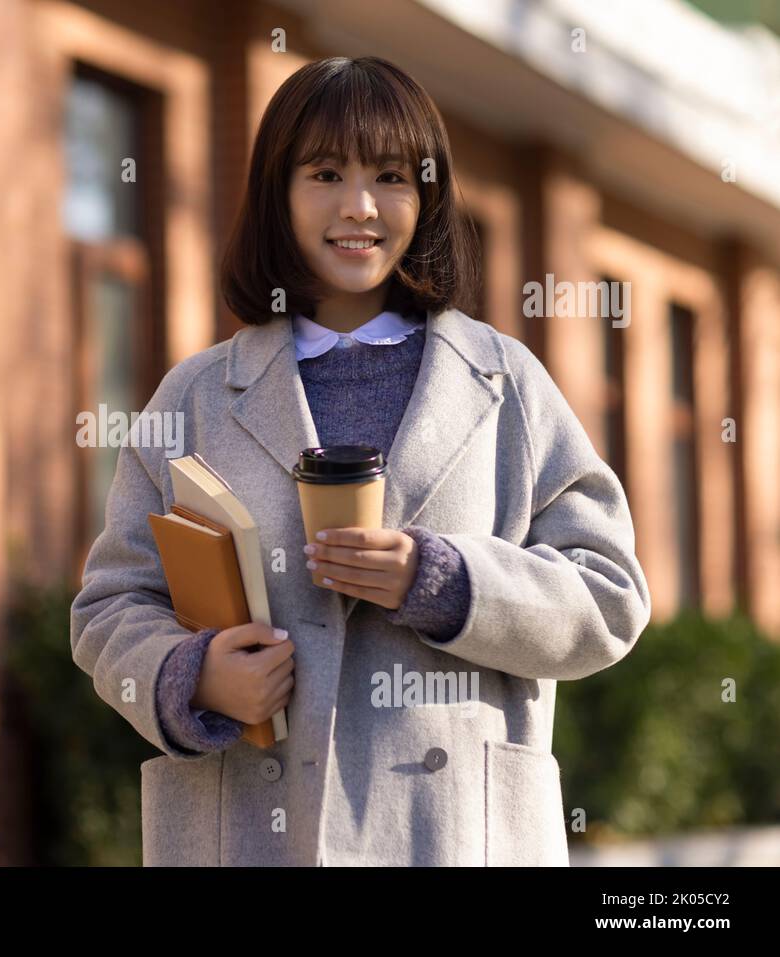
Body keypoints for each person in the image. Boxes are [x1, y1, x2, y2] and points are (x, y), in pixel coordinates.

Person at [70, 56, 651, 866]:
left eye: (390, 175)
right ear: (278, 192)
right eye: (325, 173)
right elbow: (108, 607)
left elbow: (610, 595)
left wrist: (444, 581)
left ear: (430, 196)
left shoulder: (507, 384)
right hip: (250, 831)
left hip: (455, 836)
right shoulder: (196, 396)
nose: (359, 206)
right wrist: (190, 676)